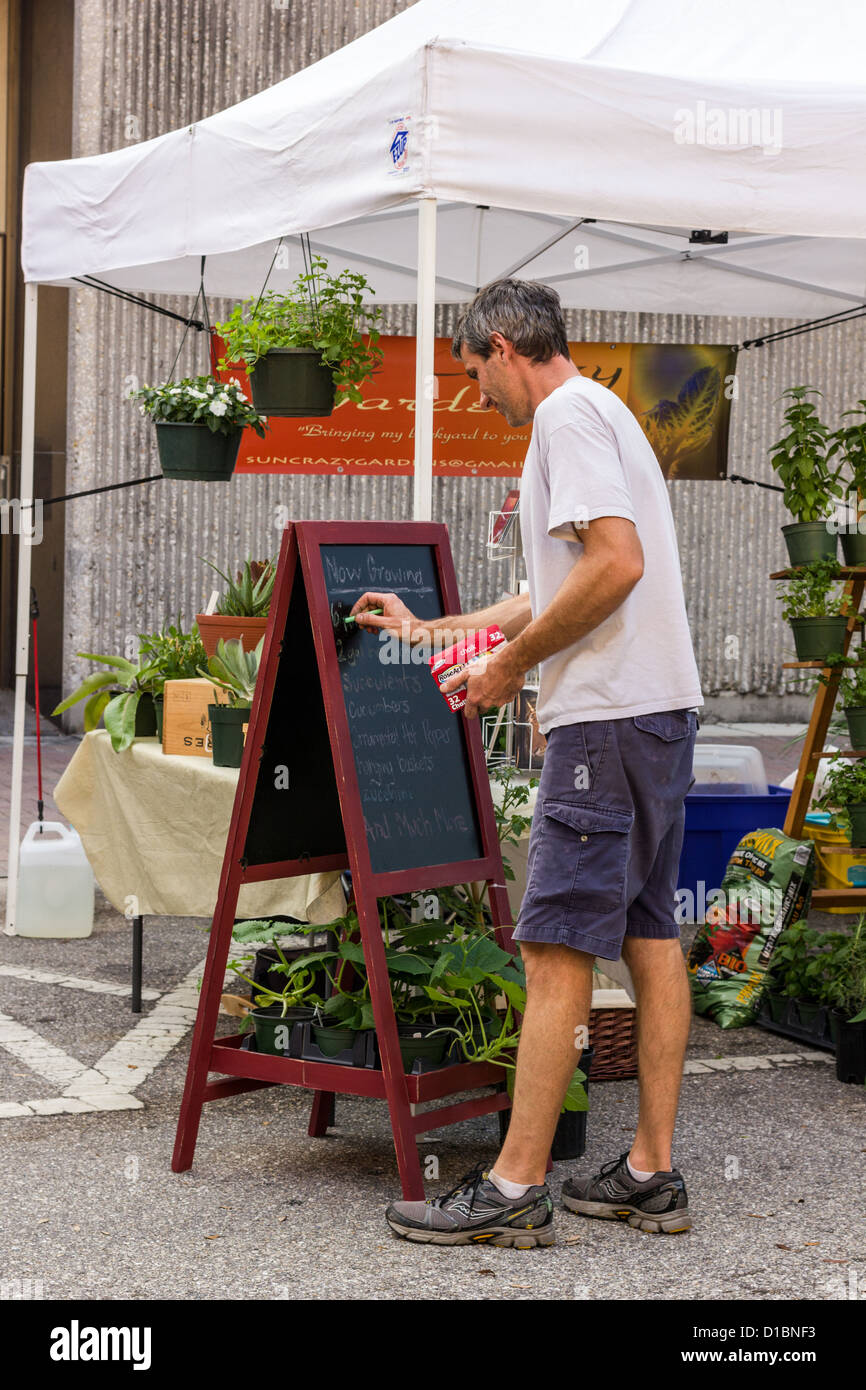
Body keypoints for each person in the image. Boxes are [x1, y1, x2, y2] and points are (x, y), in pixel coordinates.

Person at [350, 278, 703, 1248]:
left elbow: (613, 563)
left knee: (552, 948)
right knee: (647, 934)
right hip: (658, 714)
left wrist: (510, 668)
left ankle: (512, 1185)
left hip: (606, 725)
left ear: (503, 346)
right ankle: (647, 1172)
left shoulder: (565, 417)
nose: (477, 397)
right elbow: (548, 586)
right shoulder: (606, 414)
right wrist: (438, 631)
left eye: (473, 373)